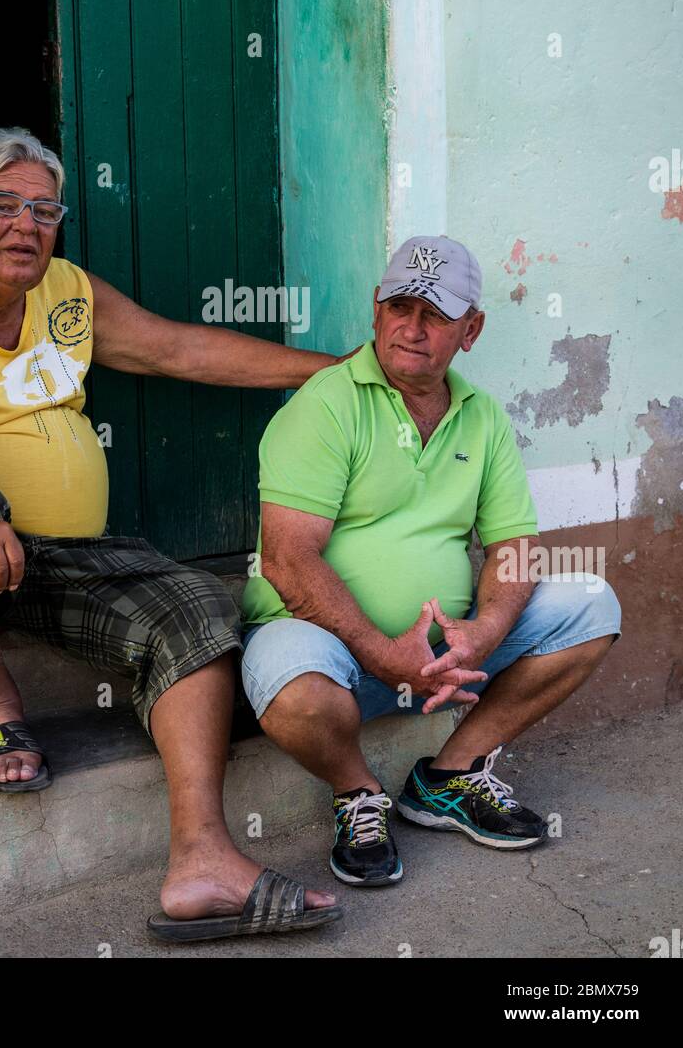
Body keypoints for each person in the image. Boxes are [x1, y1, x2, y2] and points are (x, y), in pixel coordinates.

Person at [0, 127, 344, 942]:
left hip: (63, 563)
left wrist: (331, 369)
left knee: (194, 608)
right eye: (3, 204)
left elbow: (177, 347)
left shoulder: (68, 291)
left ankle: (202, 861)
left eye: (45, 210)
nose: (26, 225)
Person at [240, 235, 622, 886]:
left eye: (435, 314)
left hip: (447, 660)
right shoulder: (326, 404)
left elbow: (513, 549)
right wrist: (380, 651)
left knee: (591, 603)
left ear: (470, 330)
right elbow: (286, 560)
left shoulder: (483, 419)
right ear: (375, 309)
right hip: (329, 653)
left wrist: (484, 632)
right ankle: (356, 792)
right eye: (400, 307)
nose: (411, 329)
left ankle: (448, 777)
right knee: (290, 682)